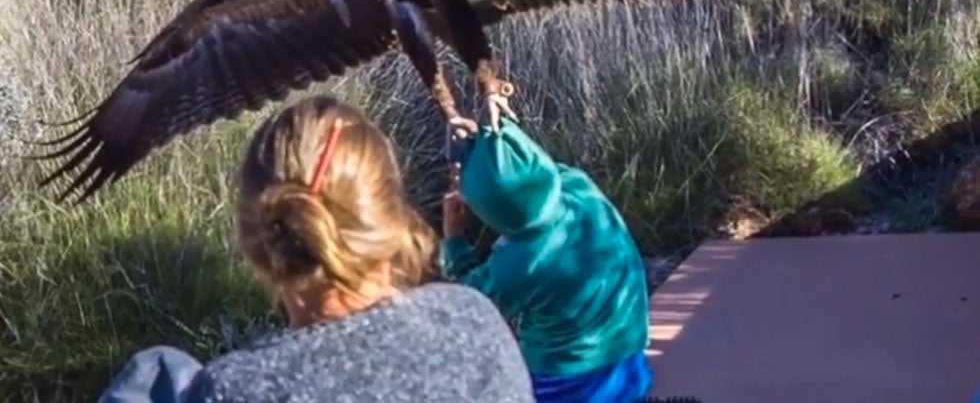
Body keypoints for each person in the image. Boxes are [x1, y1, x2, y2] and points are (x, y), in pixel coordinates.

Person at [99, 95, 535, 403]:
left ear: (254, 244)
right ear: (393, 214)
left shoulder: (236, 389)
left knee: (156, 376)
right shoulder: (475, 324)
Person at [441, 118, 654, 403]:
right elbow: (531, 175)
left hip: (567, 382)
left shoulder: (519, 264)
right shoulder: (579, 186)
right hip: (628, 356)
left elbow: (470, 301)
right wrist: (491, 147)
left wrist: (453, 238)